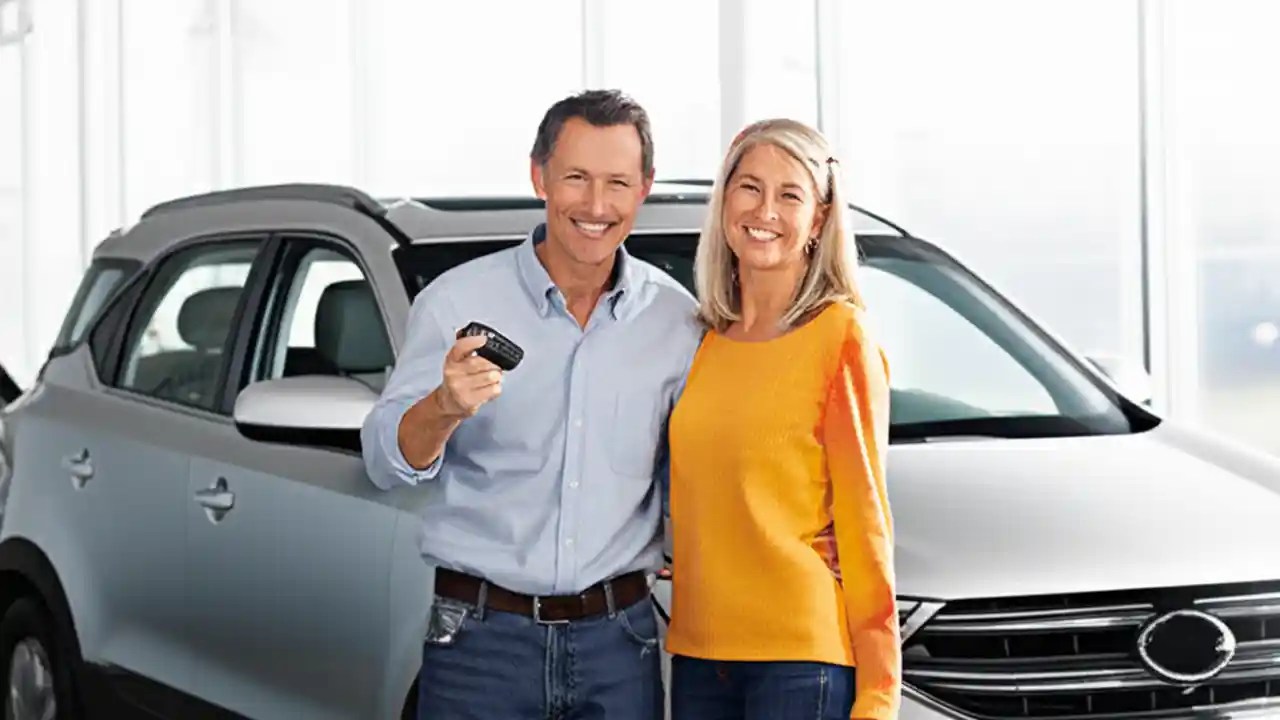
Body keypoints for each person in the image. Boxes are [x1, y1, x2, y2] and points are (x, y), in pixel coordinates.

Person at [361, 89, 702, 719]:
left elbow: (694, 472)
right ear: (538, 175)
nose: (596, 206)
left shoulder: (677, 321)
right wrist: (441, 406)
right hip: (480, 642)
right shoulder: (455, 302)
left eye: (617, 183)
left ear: (644, 188)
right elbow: (385, 462)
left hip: (619, 644)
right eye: (576, 178)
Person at [664, 118, 901, 720]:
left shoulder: (840, 336)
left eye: (789, 194)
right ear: (724, 201)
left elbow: (865, 524)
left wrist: (877, 694)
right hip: (698, 654)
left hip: (800, 661)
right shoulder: (705, 341)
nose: (764, 209)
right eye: (749, 187)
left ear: (819, 218)